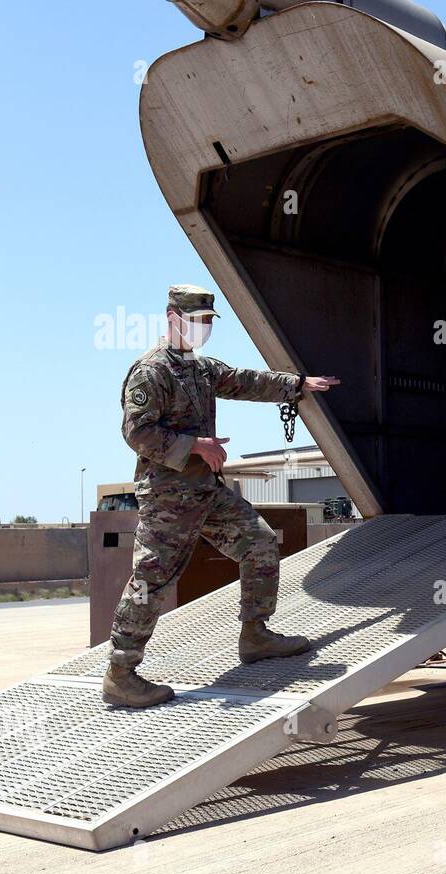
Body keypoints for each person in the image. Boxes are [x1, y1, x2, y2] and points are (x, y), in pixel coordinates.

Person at [106, 285, 340, 708]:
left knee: (261, 542)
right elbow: (136, 432)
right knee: (150, 582)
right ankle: (121, 673)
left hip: (205, 492)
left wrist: (298, 384)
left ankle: (255, 634)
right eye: (196, 322)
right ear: (172, 317)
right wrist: (195, 445)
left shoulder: (199, 369)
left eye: (208, 323)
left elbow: (245, 381)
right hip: (168, 497)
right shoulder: (151, 371)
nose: (203, 330)